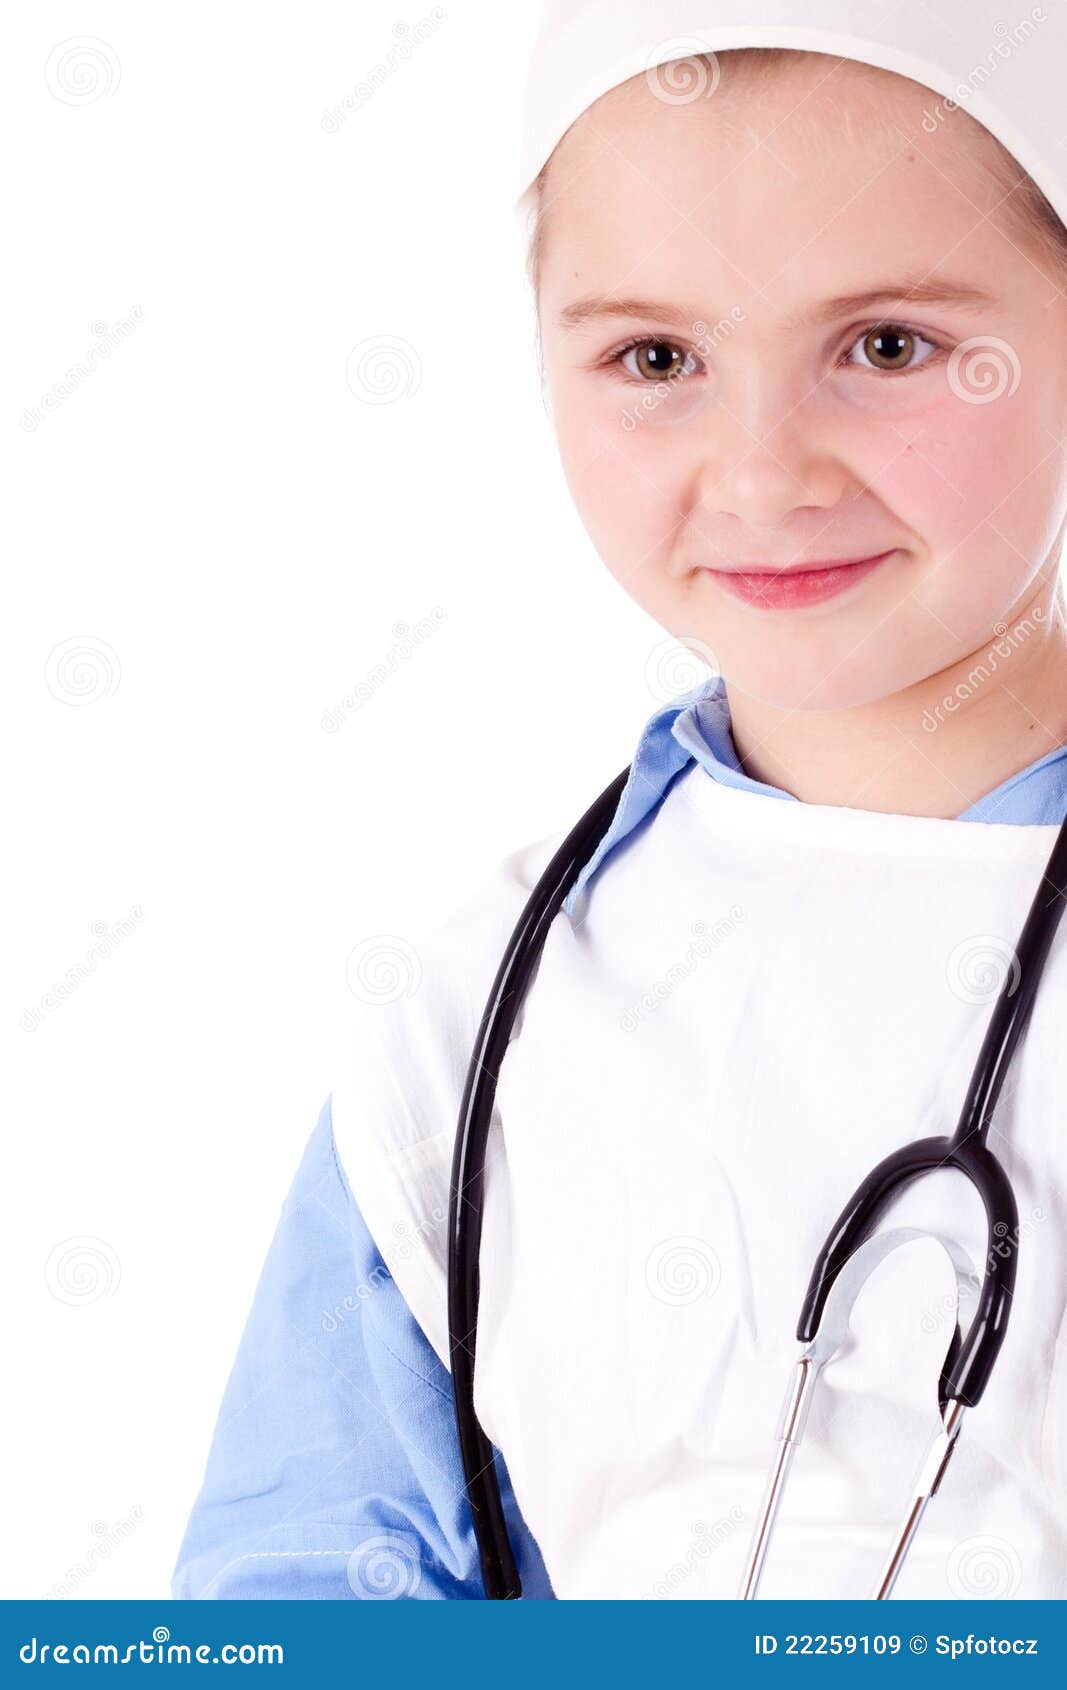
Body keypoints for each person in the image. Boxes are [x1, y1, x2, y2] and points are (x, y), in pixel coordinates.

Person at [173, 0, 1067, 1599]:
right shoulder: (476, 1032)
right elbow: (304, 1607)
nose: (764, 468)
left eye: (887, 345)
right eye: (655, 357)